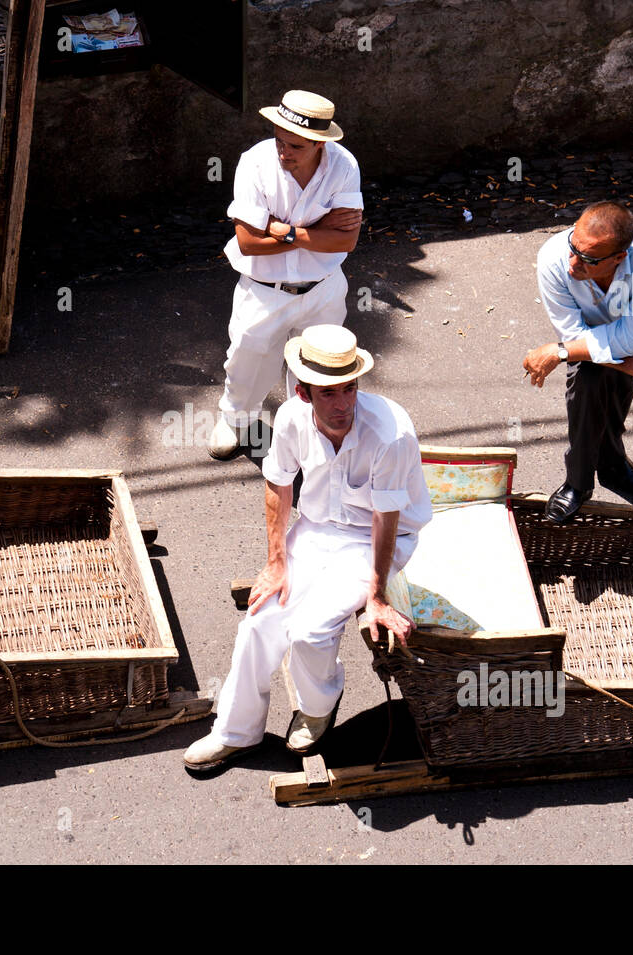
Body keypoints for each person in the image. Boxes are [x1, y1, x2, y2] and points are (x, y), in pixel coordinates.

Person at [185, 325, 431, 770]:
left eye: (349, 389)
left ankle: (319, 706)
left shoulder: (391, 434)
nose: (342, 405)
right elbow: (277, 487)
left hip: (372, 539)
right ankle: (235, 732)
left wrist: (376, 597)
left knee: (311, 631)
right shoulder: (291, 419)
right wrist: (275, 564)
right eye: (328, 394)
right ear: (302, 393)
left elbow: (386, 518)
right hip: (316, 528)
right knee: (259, 622)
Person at [208, 90, 364, 460]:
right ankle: (236, 421)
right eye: (279, 140)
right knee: (247, 361)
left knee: (319, 369)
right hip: (263, 291)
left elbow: (348, 240)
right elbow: (247, 242)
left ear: (318, 144)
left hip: (323, 289)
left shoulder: (345, 166)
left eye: (295, 146)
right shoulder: (254, 164)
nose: (283, 152)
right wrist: (317, 231)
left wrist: (284, 230)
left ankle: (312, 434)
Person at [522, 201, 633, 524]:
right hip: (590, 329)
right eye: (573, 248)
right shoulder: (552, 260)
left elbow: (629, 340)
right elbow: (575, 337)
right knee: (587, 382)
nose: (572, 265)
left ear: (618, 258)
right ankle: (578, 483)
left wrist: (558, 352)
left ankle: (611, 463)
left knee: (620, 386)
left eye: (588, 260)